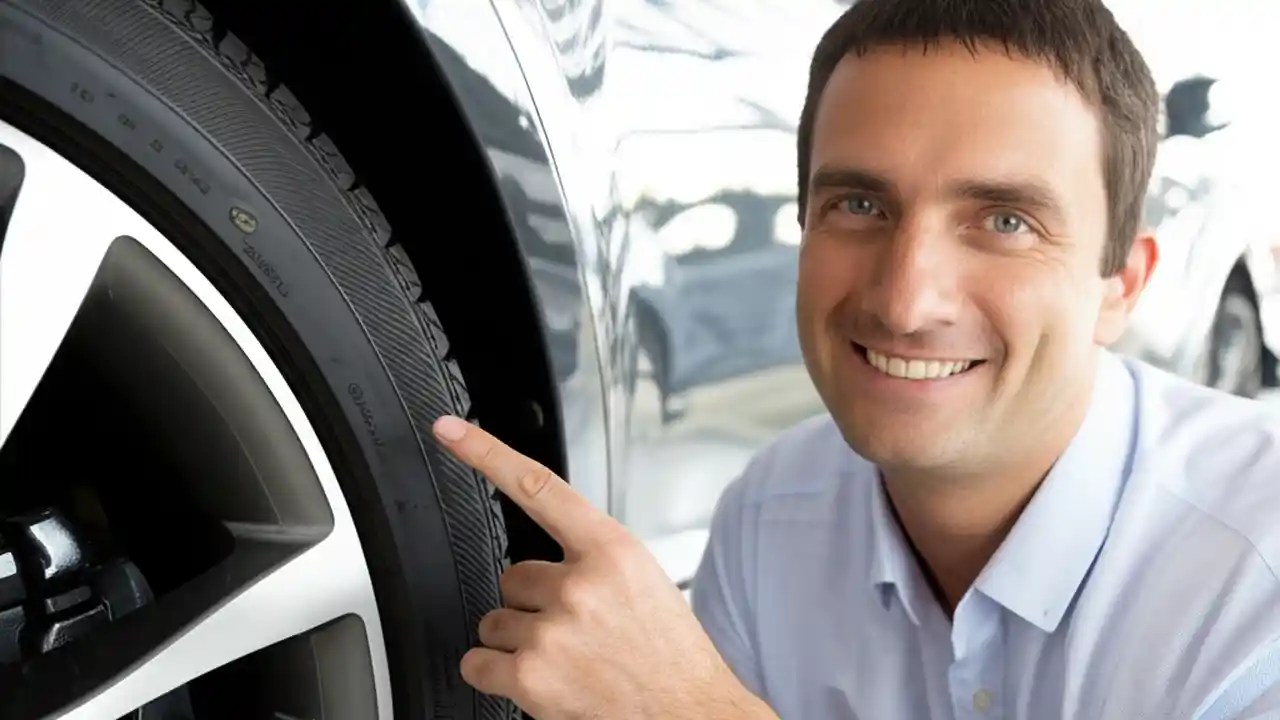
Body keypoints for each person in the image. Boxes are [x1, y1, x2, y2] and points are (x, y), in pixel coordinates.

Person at [430, 0, 1280, 717]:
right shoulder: (767, 522)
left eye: (1005, 221)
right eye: (861, 203)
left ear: (1120, 286)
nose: (905, 302)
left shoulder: (1254, 582)